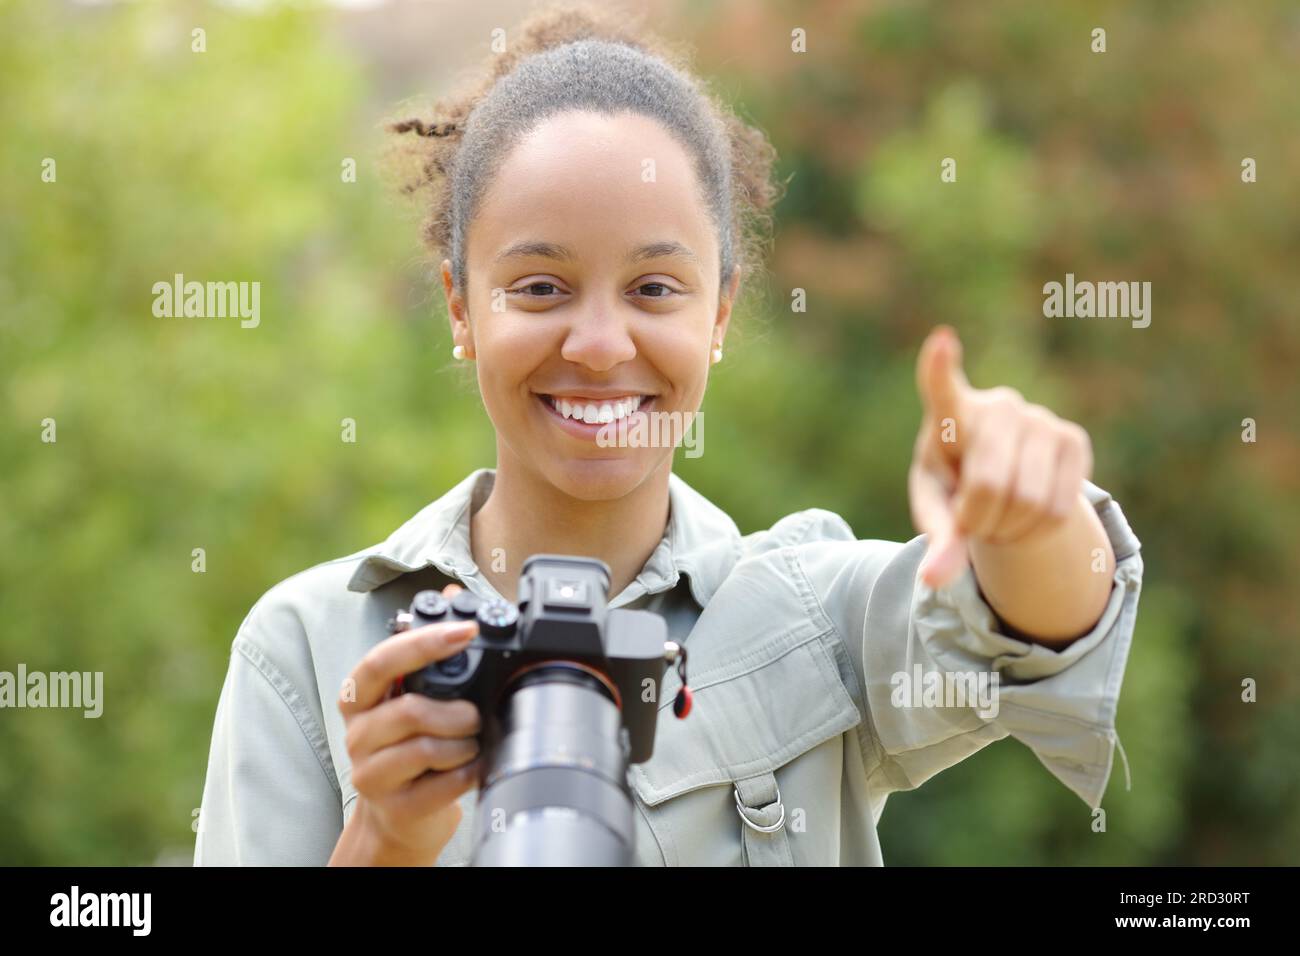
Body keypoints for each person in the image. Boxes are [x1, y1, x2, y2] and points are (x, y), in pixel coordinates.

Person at [193, 3, 1143, 867]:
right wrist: (385, 840)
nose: (601, 346)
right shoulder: (312, 648)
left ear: (720, 314)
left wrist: (1034, 511)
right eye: (539, 288)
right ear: (459, 307)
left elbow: (1042, 628)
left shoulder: (814, 621)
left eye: (654, 288)